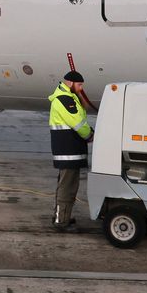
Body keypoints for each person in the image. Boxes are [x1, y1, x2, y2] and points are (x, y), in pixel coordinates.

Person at [48, 70, 92, 230]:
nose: (81, 88)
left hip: (69, 151)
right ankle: (61, 221)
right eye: (79, 85)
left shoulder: (69, 98)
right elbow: (78, 123)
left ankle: (62, 217)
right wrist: (89, 135)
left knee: (67, 185)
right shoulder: (65, 100)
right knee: (67, 187)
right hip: (68, 151)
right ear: (70, 83)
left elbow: (81, 114)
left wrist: (79, 95)